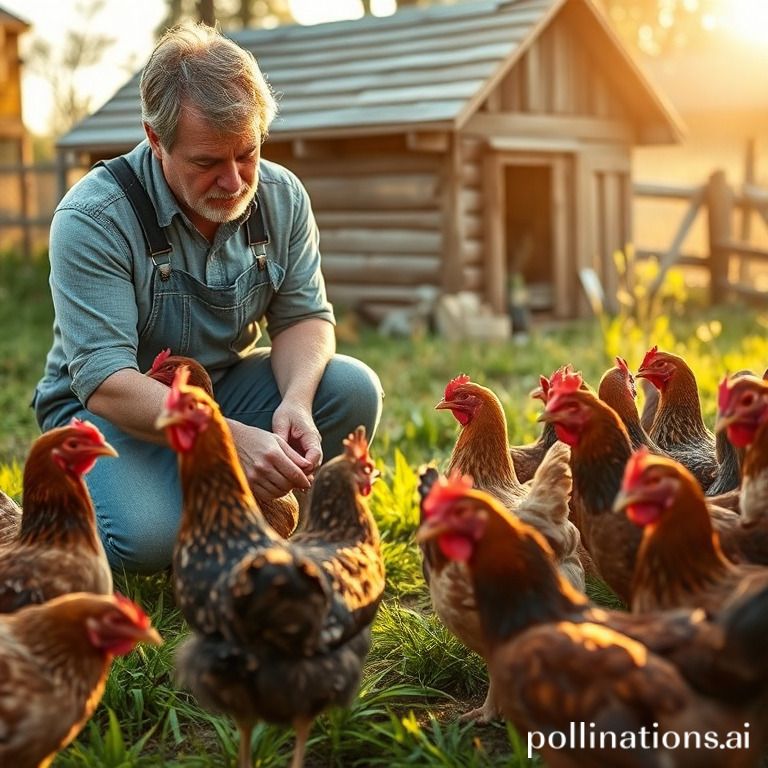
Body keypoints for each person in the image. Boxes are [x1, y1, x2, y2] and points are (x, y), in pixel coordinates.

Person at [33, 23, 383, 574]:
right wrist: (224, 437)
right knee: (148, 539)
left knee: (349, 389)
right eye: (206, 163)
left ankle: (294, 530)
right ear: (155, 138)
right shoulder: (93, 218)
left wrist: (293, 401)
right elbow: (105, 382)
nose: (234, 180)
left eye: (247, 153)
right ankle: (136, 495)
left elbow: (305, 318)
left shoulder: (281, 195)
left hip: (218, 386)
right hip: (109, 413)